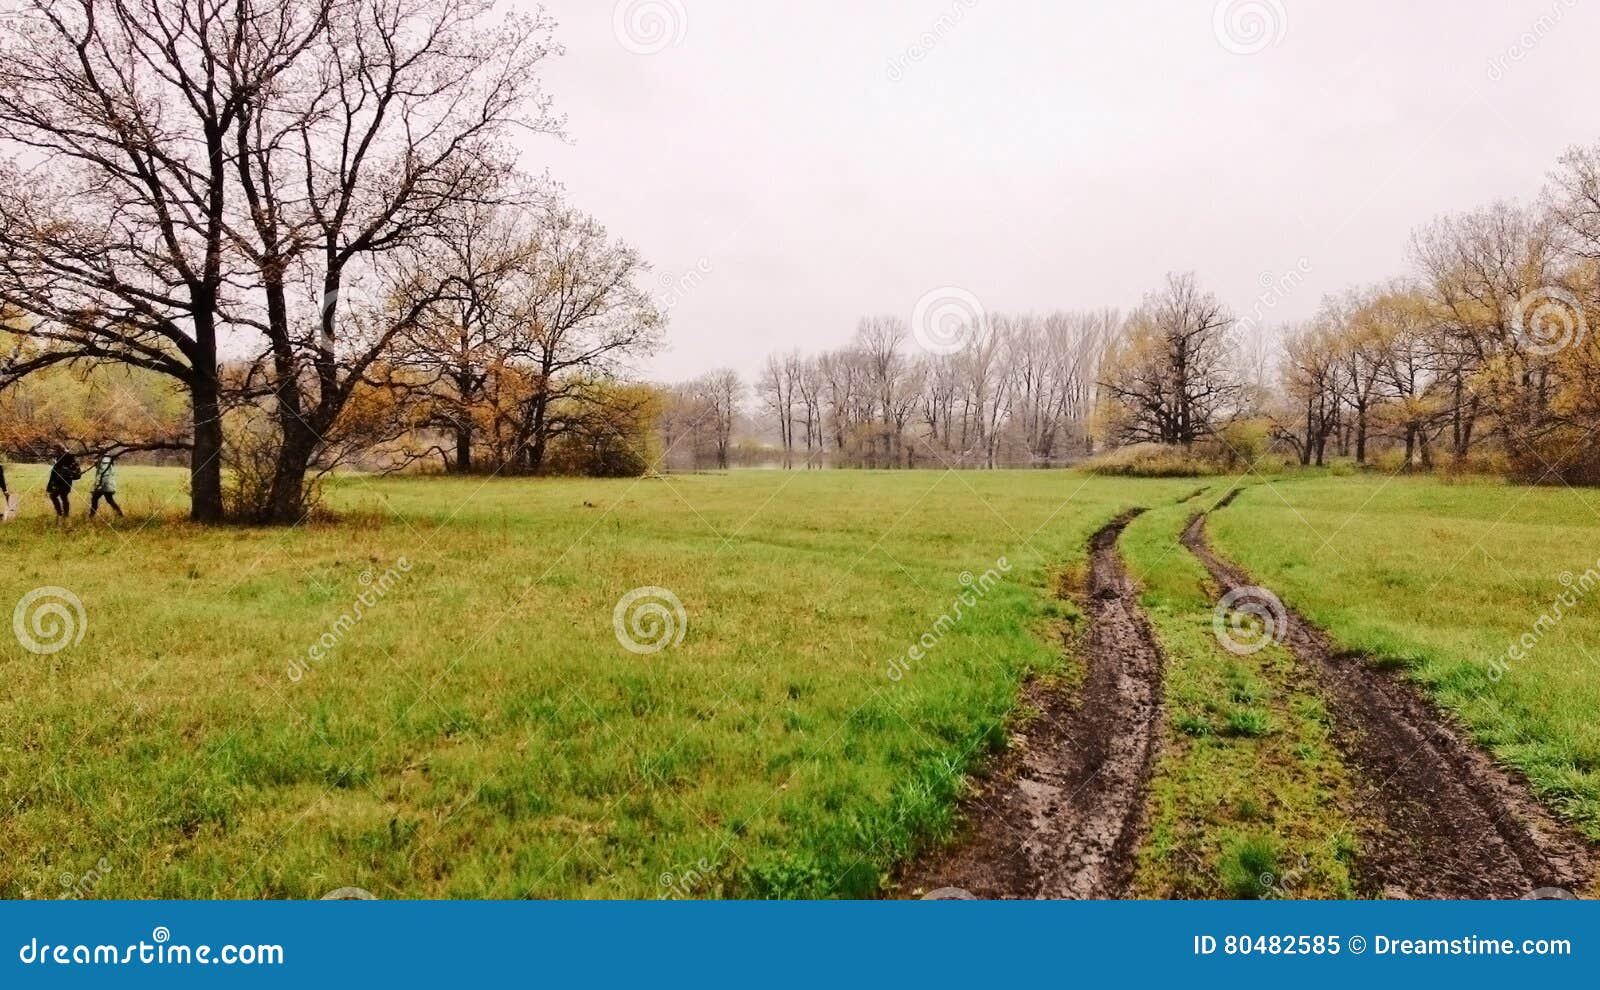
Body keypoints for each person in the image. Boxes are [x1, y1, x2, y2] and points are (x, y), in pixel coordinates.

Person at [46, 448, 81, 518]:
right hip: (62, 482)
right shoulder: (66, 458)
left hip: (63, 482)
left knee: (56, 496)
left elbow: (77, 473)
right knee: (62, 497)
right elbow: (54, 472)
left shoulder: (68, 459)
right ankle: (64, 514)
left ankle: (61, 513)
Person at [89, 454, 123, 519]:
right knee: (109, 500)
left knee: (95, 499)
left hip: (104, 483)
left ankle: (91, 516)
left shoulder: (104, 460)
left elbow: (104, 474)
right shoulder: (107, 459)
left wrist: (99, 485)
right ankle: (120, 515)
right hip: (107, 483)